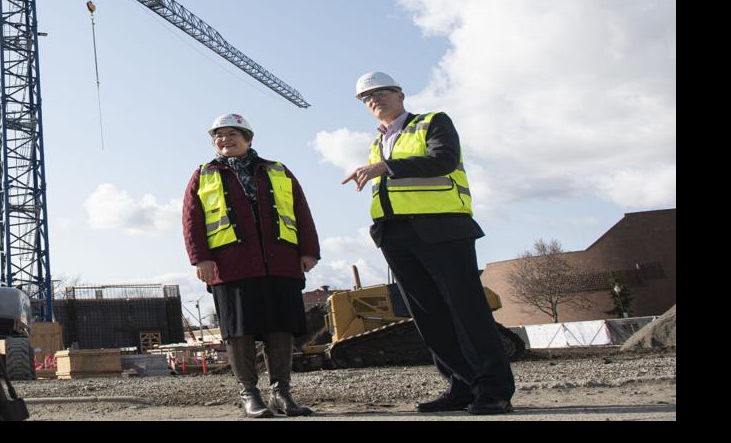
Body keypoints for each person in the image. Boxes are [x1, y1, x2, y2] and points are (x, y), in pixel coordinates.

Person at [340, 71, 514, 415]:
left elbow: (443, 160)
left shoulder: (433, 122)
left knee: (467, 311)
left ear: (400, 94)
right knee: (428, 317)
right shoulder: (378, 142)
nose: (374, 100)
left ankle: (494, 390)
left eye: (381, 93)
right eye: (367, 98)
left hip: (443, 231)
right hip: (396, 235)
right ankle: (462, 385)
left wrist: (385, 167)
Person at [183, 113, 321, 418]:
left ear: (248, 139)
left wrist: (309, 250)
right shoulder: (203, 174)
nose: (225, 140)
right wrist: (201, 258)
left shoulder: (278, 171)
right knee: (239, 331)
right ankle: (249, 394)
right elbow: (192, 220)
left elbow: (301, 210)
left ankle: (281, 394)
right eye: (219, 135)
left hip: (280, 263)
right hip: (231, 266)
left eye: (233, 134)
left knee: (281, 328)